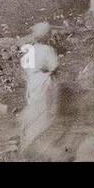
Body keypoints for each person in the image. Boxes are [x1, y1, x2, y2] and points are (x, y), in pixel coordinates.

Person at [19, 22, 60, 155]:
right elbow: (54, 66)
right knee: (44, 110)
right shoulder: (48, 50)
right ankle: (36, 144)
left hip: (32, 82)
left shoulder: (31, 49)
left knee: (33, 108)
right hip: (43, 81)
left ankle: (27, 139)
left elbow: (24, 69)